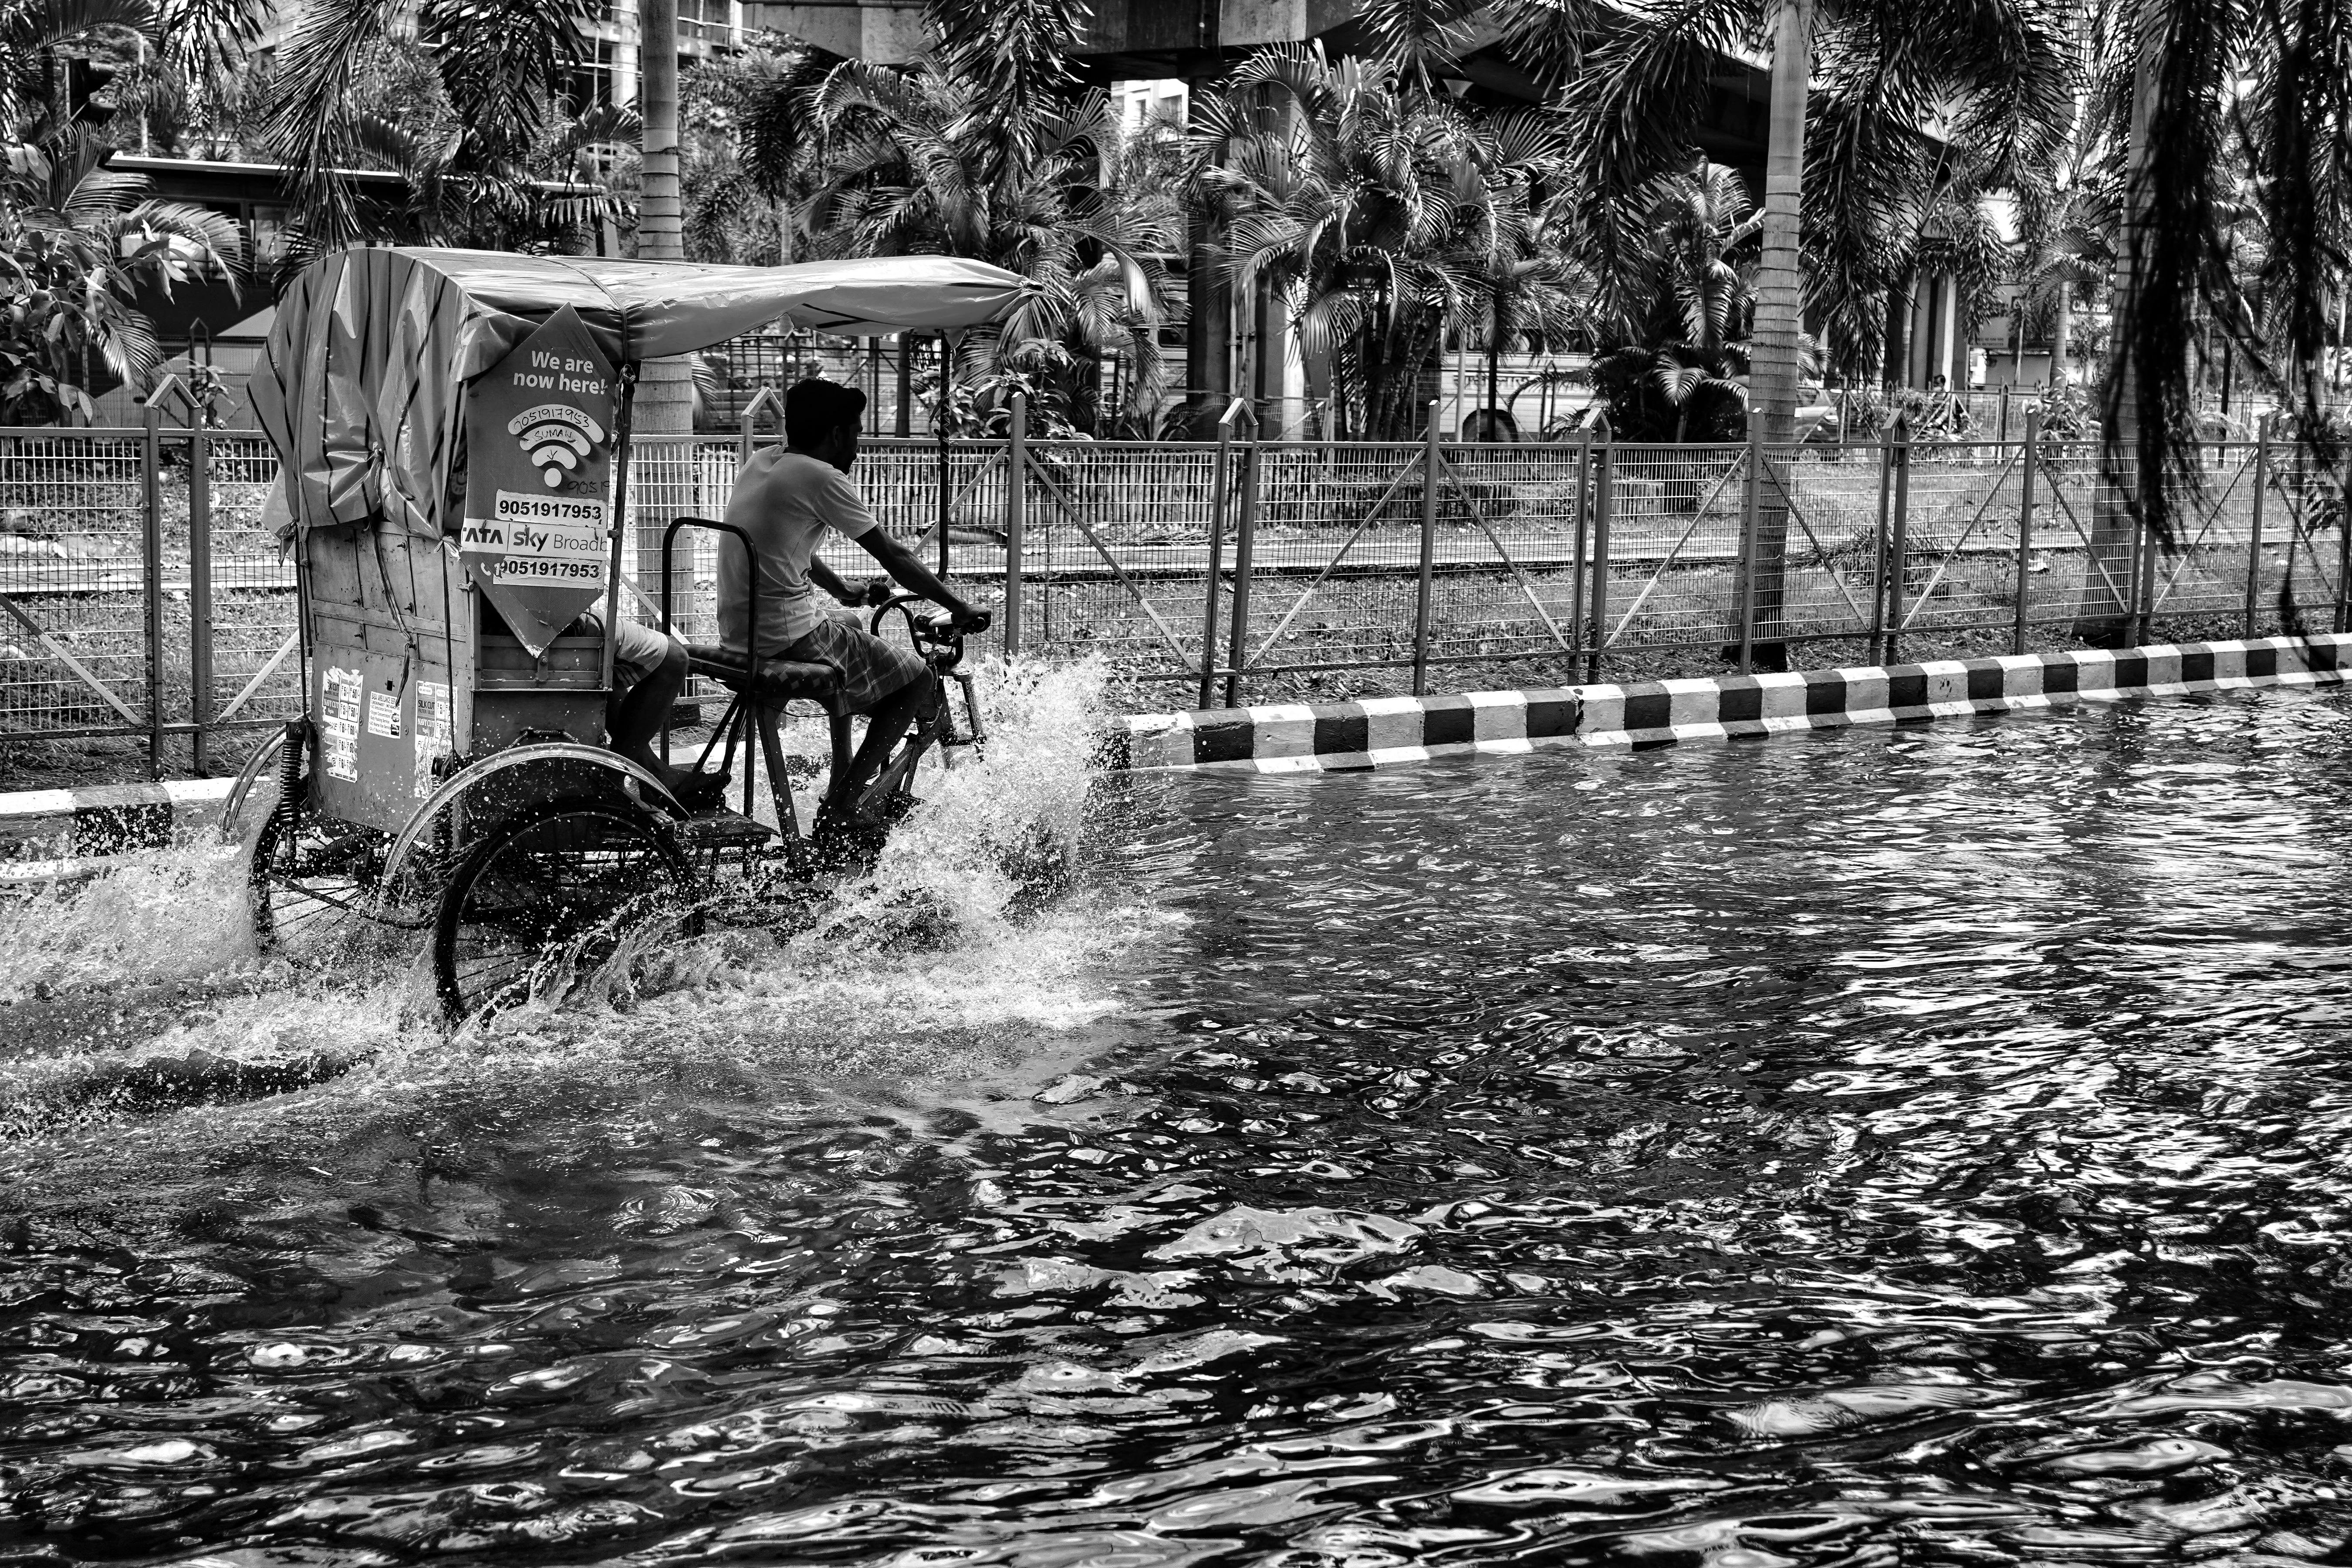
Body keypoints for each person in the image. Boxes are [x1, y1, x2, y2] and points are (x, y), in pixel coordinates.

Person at [716, 378, 990, 832]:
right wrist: (958, 607)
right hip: (785, 634)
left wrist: (842, 587)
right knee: (917, 680)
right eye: (857, 433)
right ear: (838, 433)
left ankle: (841, 771)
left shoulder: (762, 462)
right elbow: (894, 556)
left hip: (742, 628)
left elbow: (782, 545)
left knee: (849, 620)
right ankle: (843, 805)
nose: (858, 447)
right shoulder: (822, 477)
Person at [578, 601, 725, 809]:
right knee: (674, 657)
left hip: (543, 620)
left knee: (608, 667)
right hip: (557, 622)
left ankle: (652, 771)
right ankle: (613, 780)